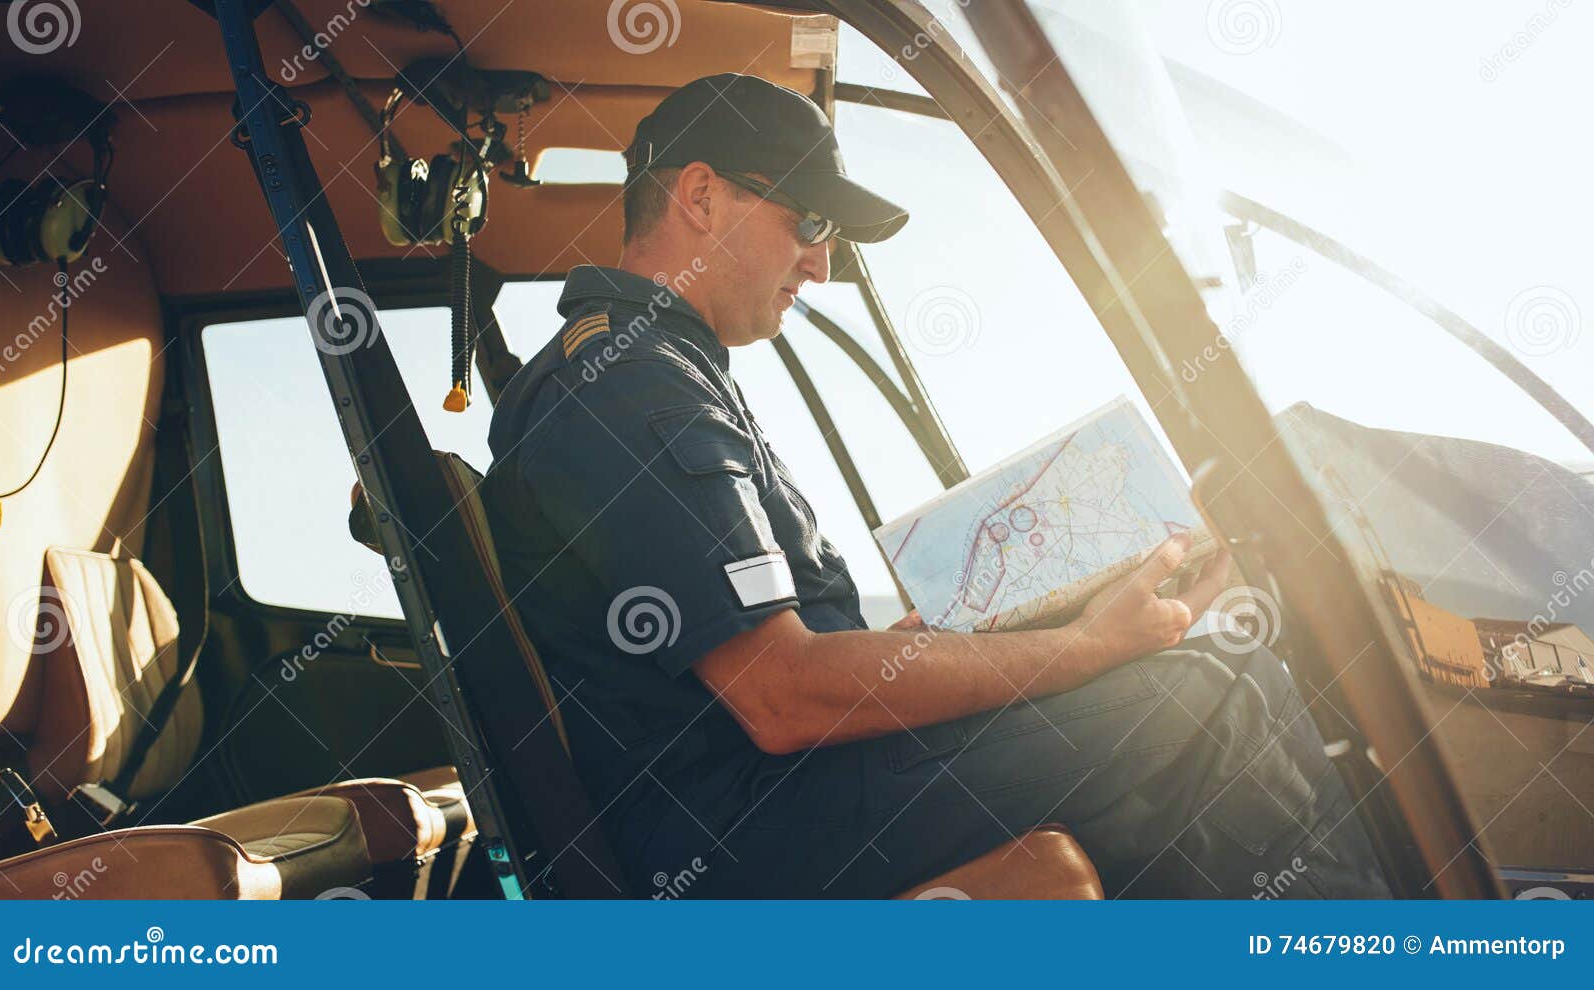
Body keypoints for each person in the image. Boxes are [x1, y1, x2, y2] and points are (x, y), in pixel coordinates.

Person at [482, 73, 1388, 899]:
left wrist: (962, 638)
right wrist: (1084, 647)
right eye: (808, 223)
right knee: (1222, 694)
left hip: (756, 804)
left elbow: (774, 661)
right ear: (703, 196)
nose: (821, 264)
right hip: (735, 837)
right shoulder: (632, 385)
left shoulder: (643, 368)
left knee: (1181, 691)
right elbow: (782, 696)